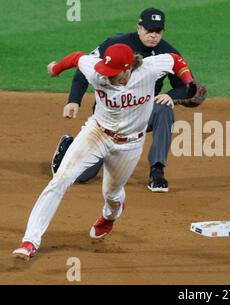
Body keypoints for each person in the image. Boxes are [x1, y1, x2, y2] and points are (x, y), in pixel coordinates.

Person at [12, 43, 201, 260]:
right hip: (96, 133)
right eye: (106, 71)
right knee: (60, 179)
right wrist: (56, 69)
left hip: (129, 145)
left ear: (128, 69)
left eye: (114, 73)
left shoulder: (150, 68)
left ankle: (109, 218)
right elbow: (77, 57)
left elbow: (176, 60)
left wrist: (188, 82)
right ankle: (30, 241)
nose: (107, 77)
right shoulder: (97, 71)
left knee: (112, 194)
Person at [51, 8, 206, 193]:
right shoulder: (116, 45)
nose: (153, 36)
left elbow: (186, 87)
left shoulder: (167, 52)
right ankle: (70, 145)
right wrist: (74, 100)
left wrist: (170, 96)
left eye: (158, 31)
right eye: (149, 30)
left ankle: (157, 171)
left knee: (164, 109)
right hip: (108, 115)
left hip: (142, 112)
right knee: (82, 177)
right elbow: (84, 68)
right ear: (139, 28)